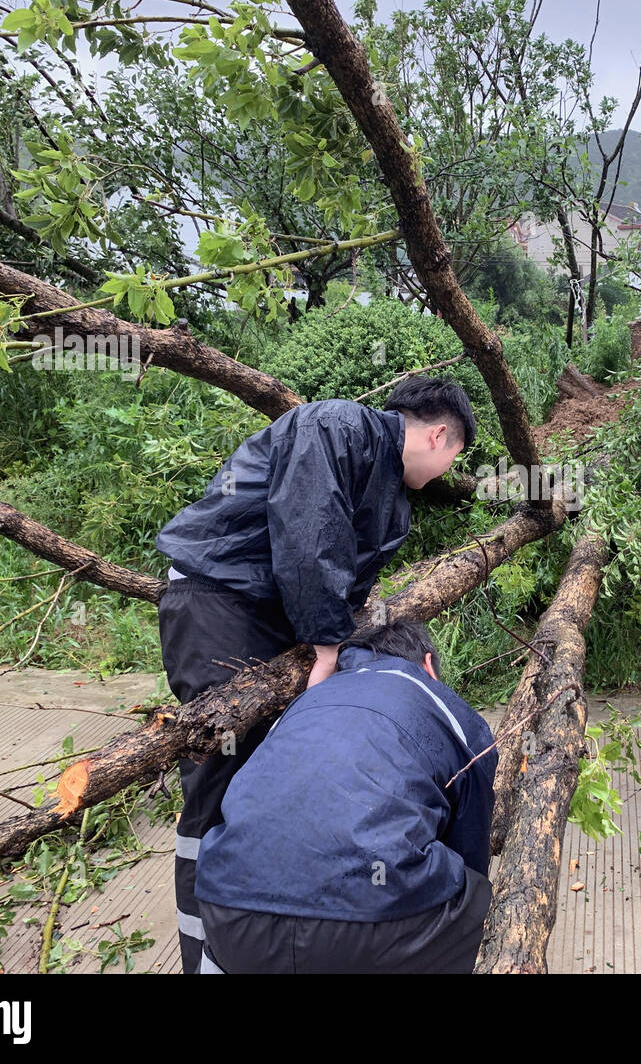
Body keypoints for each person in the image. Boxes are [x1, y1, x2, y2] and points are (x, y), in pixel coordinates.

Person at [155, 376, 476, 972]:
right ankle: (205, 952)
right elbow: (308, 534)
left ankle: (286, 935)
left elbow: (349, 587)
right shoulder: (336, 426)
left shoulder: (393, 502)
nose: (444, 473)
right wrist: (326, 651)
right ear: (438, 435)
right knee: (219, 782)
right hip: (218, 603)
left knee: (275, 779)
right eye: (452, 458)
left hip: (274, 621)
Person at [193, 621, 496, 974]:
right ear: (428, 665)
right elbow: (470, 843)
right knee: (476, 895)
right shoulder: (437, 701)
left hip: (229, 914)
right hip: (373, 934)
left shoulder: (304, 704)